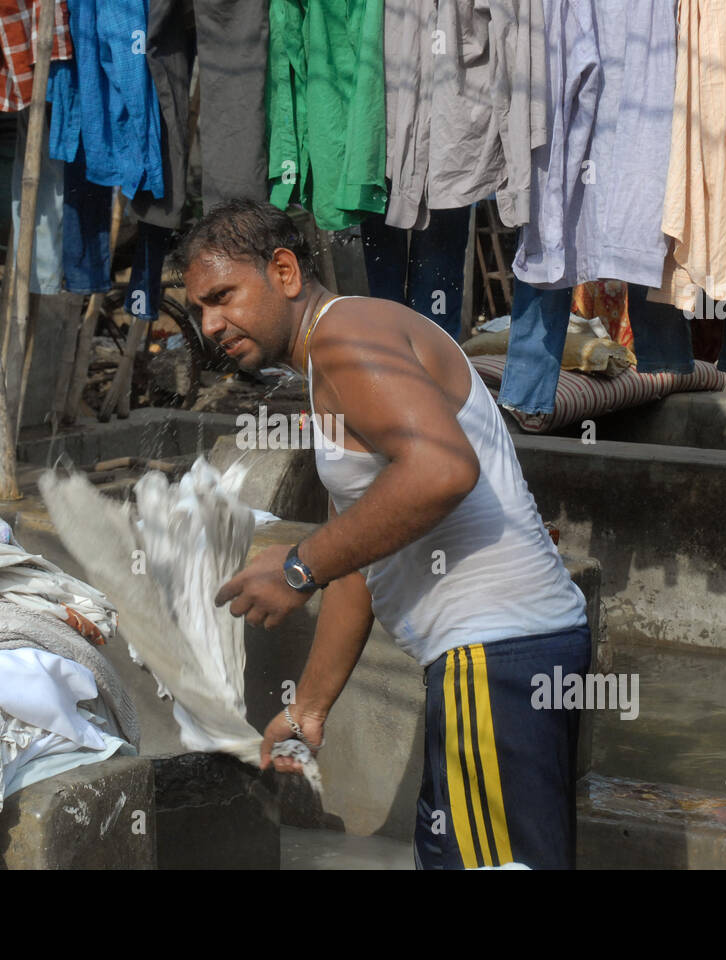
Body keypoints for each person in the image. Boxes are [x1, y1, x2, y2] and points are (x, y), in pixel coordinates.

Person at [177, 199, 592, 869]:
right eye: (199, 308)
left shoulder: (350, 337)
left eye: (221, 296)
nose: (209, 324)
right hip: (488, 662)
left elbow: (439, 471)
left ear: (283, 270)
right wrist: (310, 707)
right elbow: (366, 552)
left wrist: (297, 567)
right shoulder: (331, 364)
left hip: (497, 659)